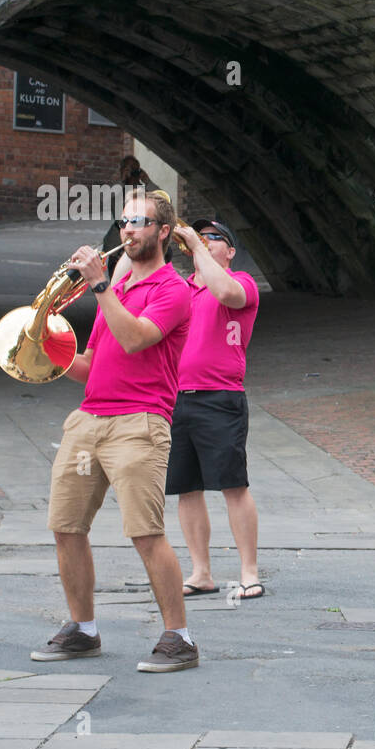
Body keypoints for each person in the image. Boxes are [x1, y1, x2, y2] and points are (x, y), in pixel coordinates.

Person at [32, 190, 199, 673]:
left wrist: (101, 286)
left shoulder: (173, 290)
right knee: (66, 527)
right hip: (89, 418)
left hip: (140, 422)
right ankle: (83, 629)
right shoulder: (119, 291)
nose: (128, 231)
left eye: (139, 223)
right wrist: (46, 346)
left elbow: (134, 339)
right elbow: (91, 366)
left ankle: (179, 637)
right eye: (124, 223)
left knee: (146, 533)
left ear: (162, 232)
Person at [166, 219, 263, 601]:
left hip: (221, 397)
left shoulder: (241, 282)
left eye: (212, 239)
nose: (203, 243)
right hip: (176, 397)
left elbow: (225, 292)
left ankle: (249, 571)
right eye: (199, 237)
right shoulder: (182, 288)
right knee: (185, 489)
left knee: (232, 485)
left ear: (230, 250)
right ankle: (200, 571)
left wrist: (196, 246)